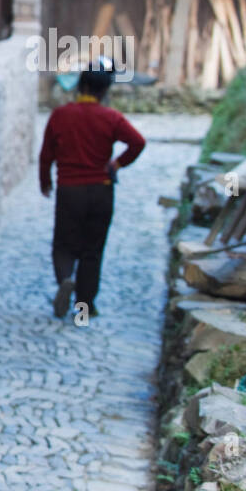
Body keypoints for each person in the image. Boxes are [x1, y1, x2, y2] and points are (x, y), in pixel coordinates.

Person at [39, 57, 146, 318]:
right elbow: (138, 142)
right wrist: (117, 164)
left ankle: (65, 278)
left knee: (64, 244)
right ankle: (85, 305)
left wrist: (45, 181)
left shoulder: (60, 115)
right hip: (101, 189)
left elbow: (46, 154)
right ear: (104, 90)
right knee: (92, 249)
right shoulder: (111, 117)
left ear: (80, 86)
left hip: (69, 191)